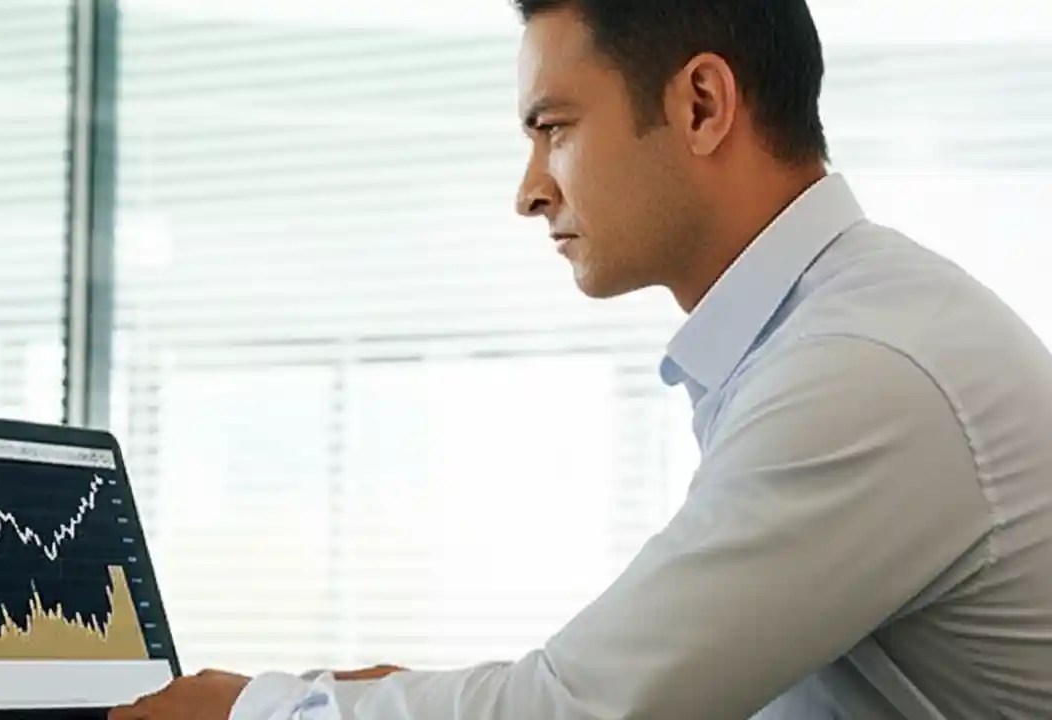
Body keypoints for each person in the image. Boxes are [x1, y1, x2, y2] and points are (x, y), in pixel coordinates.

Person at [111, 0, 1052, 717]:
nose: (529, 192)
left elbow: (579, 709)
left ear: (701, 104)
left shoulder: (861, 370)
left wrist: (249, 709)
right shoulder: (832, 332)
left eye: (553, 128)